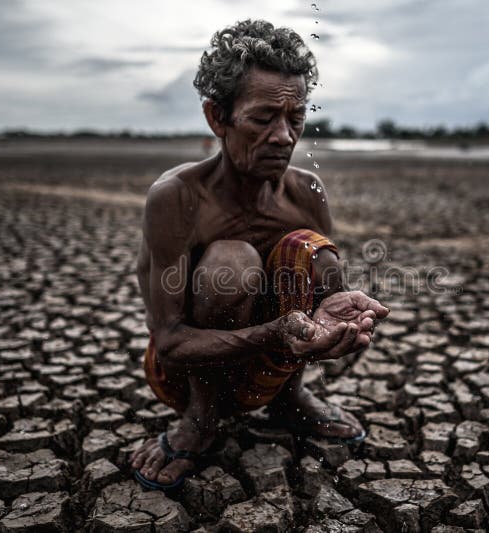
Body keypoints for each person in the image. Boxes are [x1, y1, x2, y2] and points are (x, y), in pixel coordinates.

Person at [129, 19, 389, 491]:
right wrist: (277, 333)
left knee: (317, 255)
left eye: (295, 118)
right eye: (263, 118)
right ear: (217, 118)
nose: (284, 137)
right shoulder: (178, 197)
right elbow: (168, 341)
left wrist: (330, 320)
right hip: (183, 374)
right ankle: (202, 420)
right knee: (233, 263)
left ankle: (289, 401)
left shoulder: (307, 193)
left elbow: (320, 293)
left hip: (269, 365)